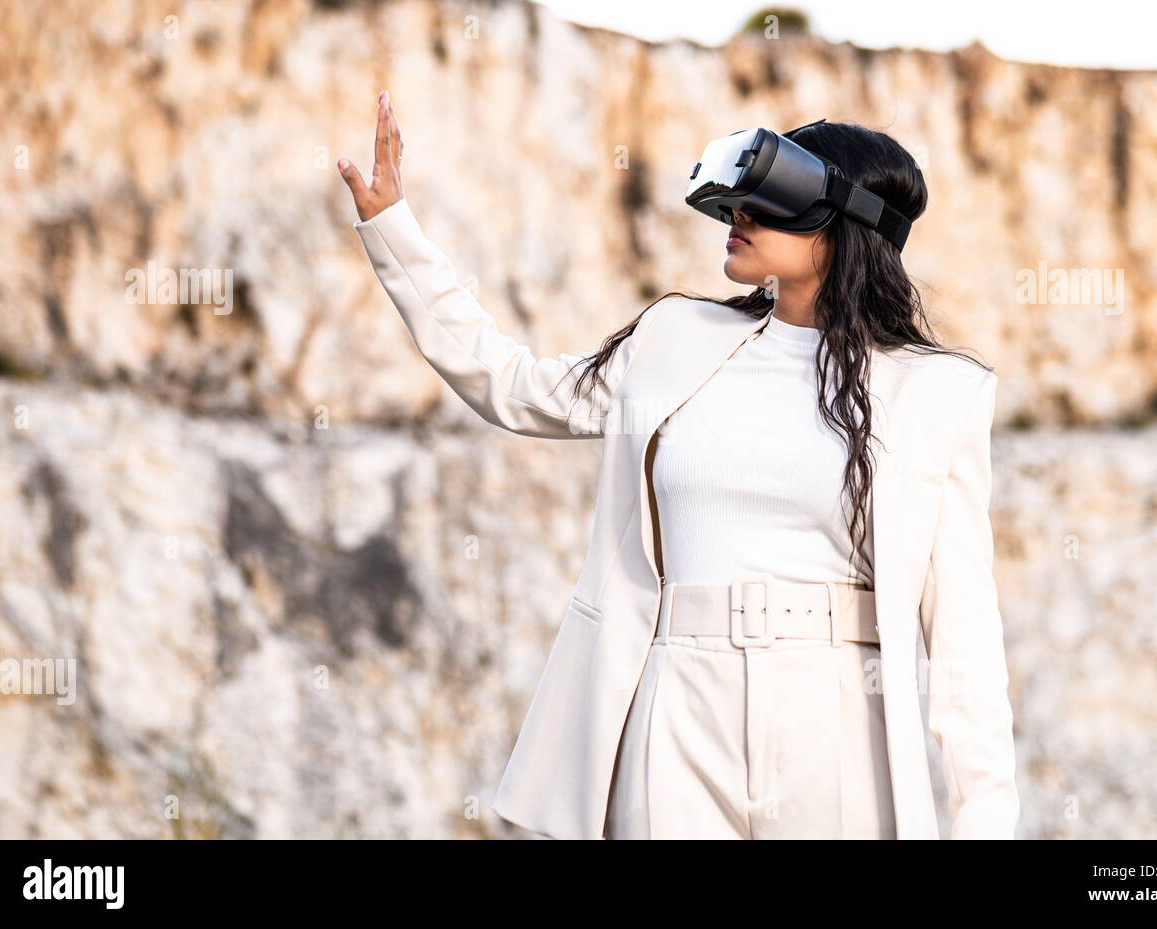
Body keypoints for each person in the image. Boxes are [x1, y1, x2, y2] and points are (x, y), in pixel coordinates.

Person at [339, 91, 1019, 840]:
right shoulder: (673, 339)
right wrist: (393, 228)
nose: (740, 215)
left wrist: (984, 821)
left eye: (774, 195)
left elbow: (964, 644)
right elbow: (513, 387)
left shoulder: (938, 391)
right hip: (676, 705)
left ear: (845, 221)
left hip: (840, 717)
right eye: (739, 197)